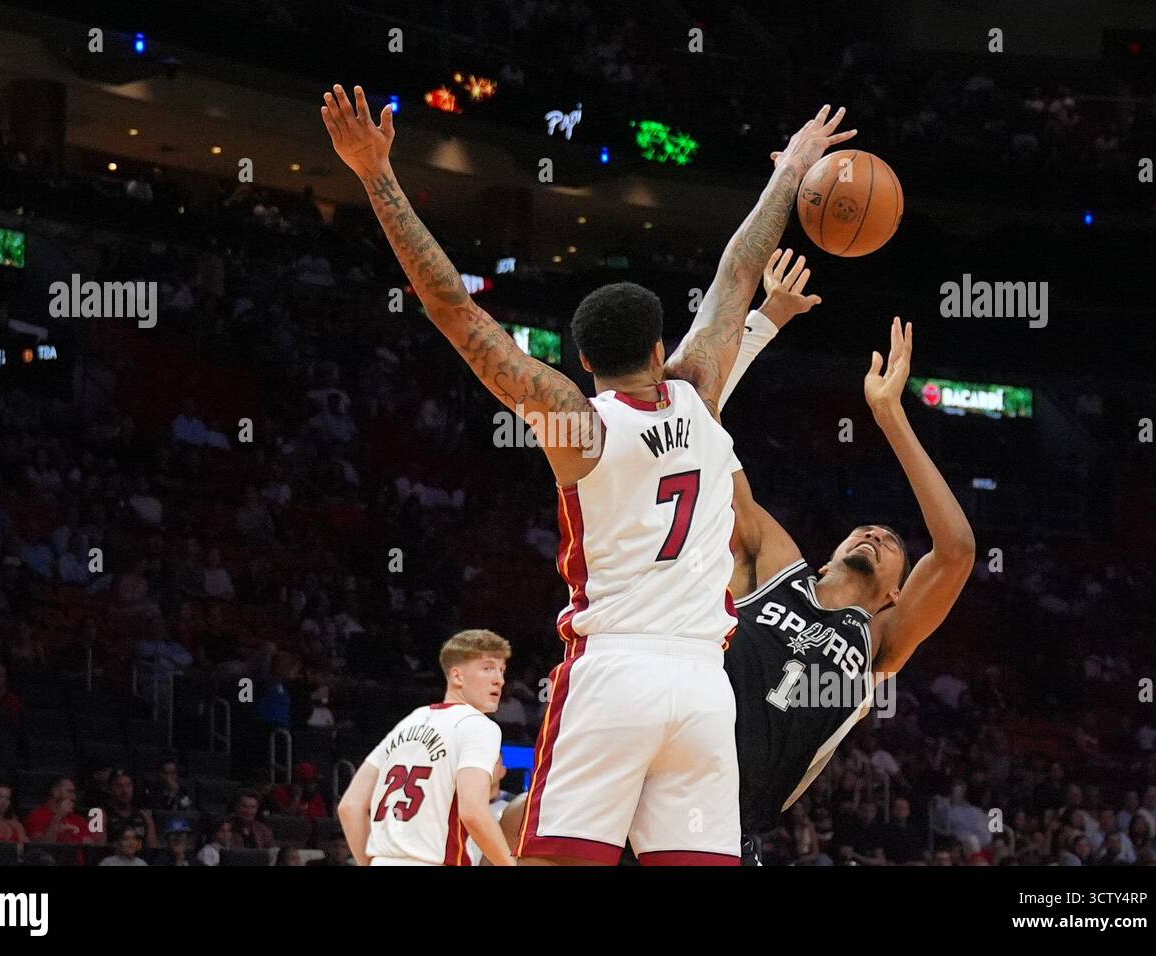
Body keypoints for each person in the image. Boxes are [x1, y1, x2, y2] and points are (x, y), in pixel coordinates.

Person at [321, 82, 855, 866]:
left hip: (616, 675)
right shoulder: (702, 391)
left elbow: (454, 311)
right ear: (658, 346)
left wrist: (376, 175)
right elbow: (739, 271)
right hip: (708, 687)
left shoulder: (581, 426)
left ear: (582, 362)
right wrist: (791, 171)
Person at [719, 310, 975, 863]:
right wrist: (763, 321)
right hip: (665, 771)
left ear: (895, 594)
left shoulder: (880, 639)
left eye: (892, 545)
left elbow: (956, 550)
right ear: (832, 552)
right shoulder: (778, 568)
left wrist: (889, 415)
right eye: (866, 530)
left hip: (730, 825)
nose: (877, 534)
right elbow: (711, 441)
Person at [337, 629, 514, 866]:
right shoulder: (478, 725)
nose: (499, 679)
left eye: (501, 670)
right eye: (488, 668)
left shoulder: (411, 720)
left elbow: (350, 807)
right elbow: (473, 812)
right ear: (457, 676)